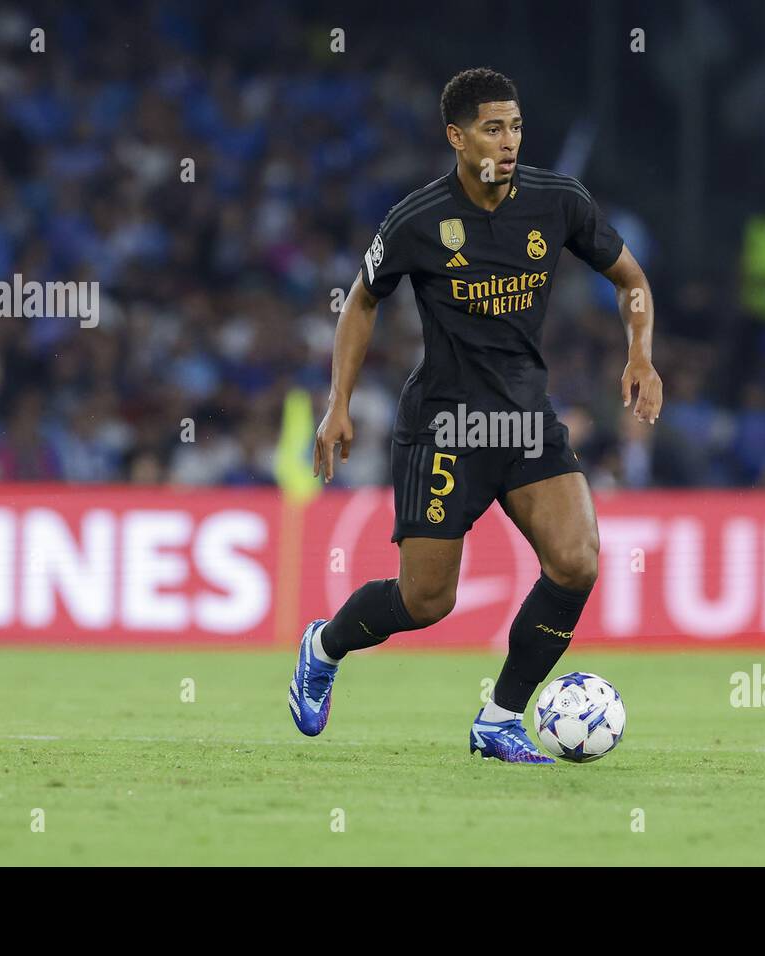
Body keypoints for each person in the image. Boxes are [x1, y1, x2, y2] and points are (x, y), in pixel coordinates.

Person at [287, 68, 662, 763]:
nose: (510, 140)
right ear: (457, 137)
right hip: (445, 426)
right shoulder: (418, 219)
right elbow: (361, 301)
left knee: (577, 561)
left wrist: (639, 355)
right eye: (494, 127)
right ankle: (323, 645)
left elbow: (630, 280)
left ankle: (499, 717)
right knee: (426, 601)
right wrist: (336, 403)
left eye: (516, 125)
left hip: (524, 420)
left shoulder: (557, 201)